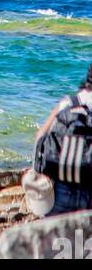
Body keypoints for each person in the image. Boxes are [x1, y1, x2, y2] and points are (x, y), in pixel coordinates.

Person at [29, 64, 92, 215]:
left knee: (54, 234)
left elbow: (40, 137)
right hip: (89, 192)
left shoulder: (69, 102)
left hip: (59, 190)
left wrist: (37, 173)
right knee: (82, 236)